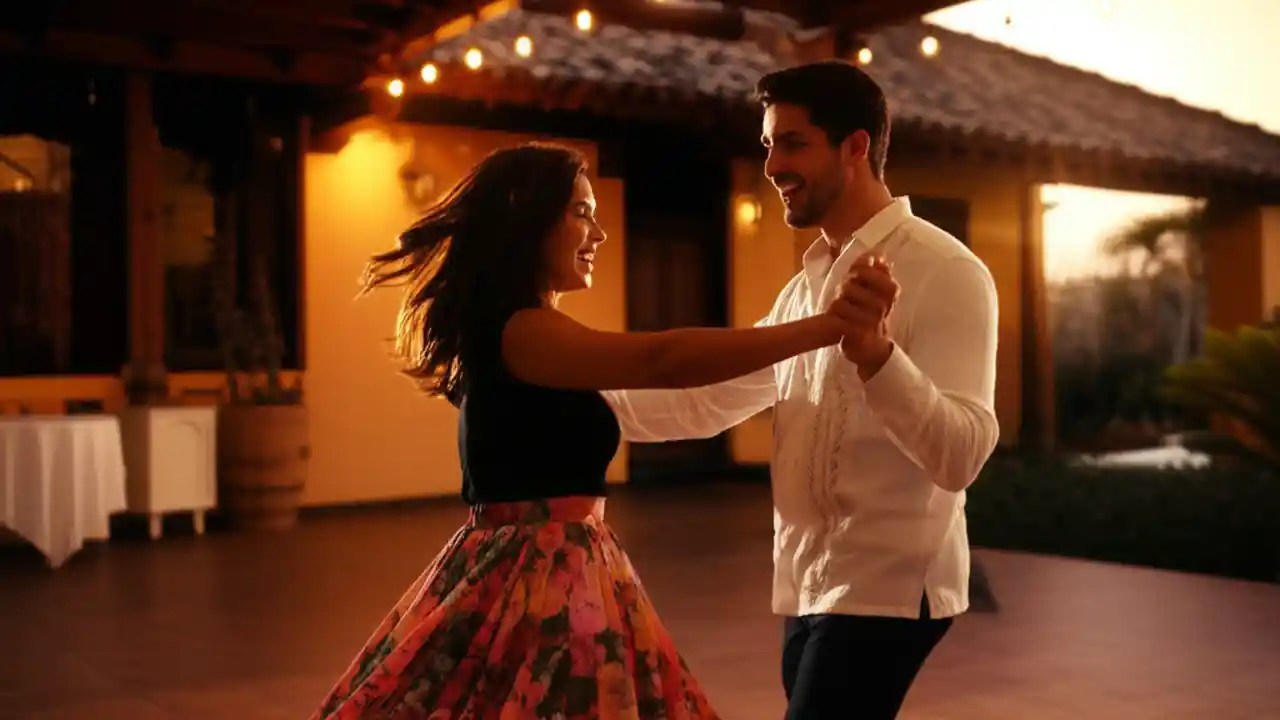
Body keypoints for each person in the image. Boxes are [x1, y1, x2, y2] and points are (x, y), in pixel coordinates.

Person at [310, 142, 868, 719]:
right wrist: (825, 328)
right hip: (537, 577)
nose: (598, 233)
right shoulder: (522, 332)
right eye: (581, 212)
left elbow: (676, 383)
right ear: (527, 220)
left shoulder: (528, 328)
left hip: (564, 565)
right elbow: (664, 361)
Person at [604, 60, 1001, 719]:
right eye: (767, 146)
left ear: (855, 147)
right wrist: (565, 407)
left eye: (792, 143)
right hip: (806, 586)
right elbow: (711, 400)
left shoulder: (948, 271)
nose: (771, 167)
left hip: (888, 587)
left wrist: (877, 356)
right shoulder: (802, 289)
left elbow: (960, 457)